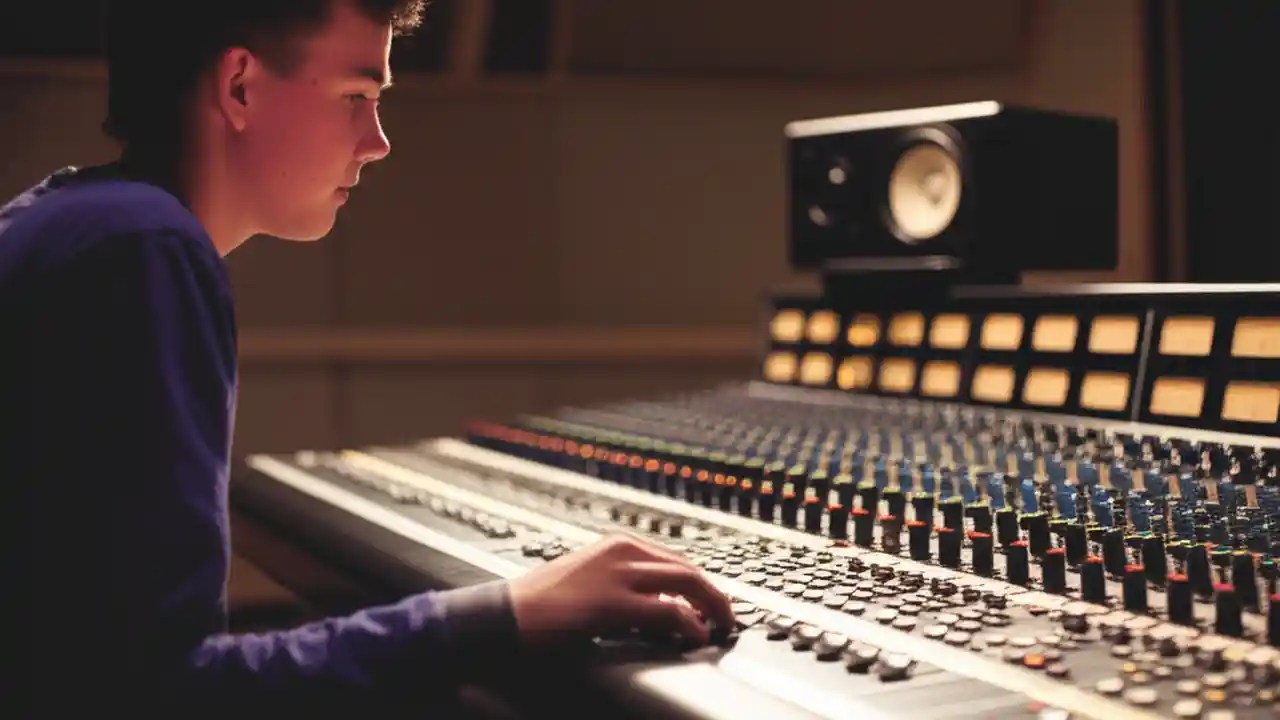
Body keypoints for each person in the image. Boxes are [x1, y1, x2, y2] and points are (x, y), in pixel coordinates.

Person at [0, 0, 734, 715]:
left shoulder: (79, 221)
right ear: (239, 87)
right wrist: (510, 612)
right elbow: (160, 690)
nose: (378, 140)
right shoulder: (143, 250)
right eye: (357, 95)